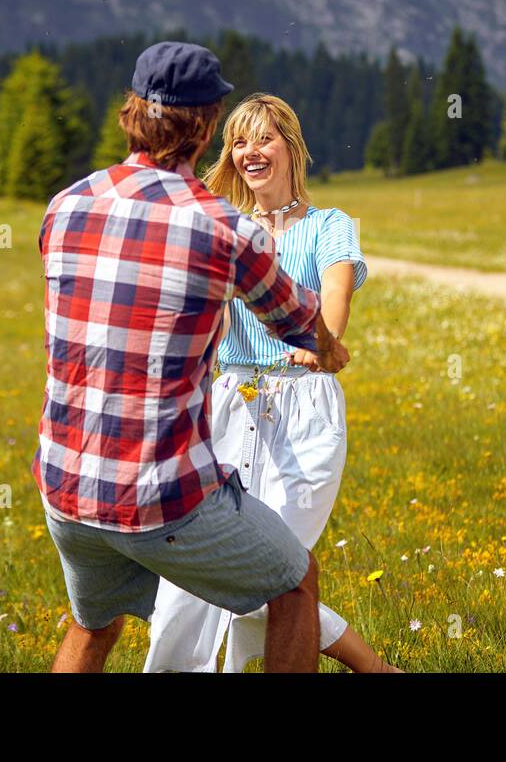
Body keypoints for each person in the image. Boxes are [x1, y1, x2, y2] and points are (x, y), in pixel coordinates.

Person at [34, 44, 350, 673]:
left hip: (64, 486)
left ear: (130, 114)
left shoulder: (65, 206)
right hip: (159, 493)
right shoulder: (225, 229)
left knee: (93, 624)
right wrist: (331, 350)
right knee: (295, 582)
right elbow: (302, 324)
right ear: (209, 127)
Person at [144, 94, 399, 673]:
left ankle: (372, 667)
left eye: (263, 139)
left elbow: (335, 296)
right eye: (238, 142)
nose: (250, 152)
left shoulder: (330, 226)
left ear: (290, 144)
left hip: (304, 409)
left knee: (275, 571)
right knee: (192, 578)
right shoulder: (223, 228)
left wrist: (323, 343)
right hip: (226, 408)